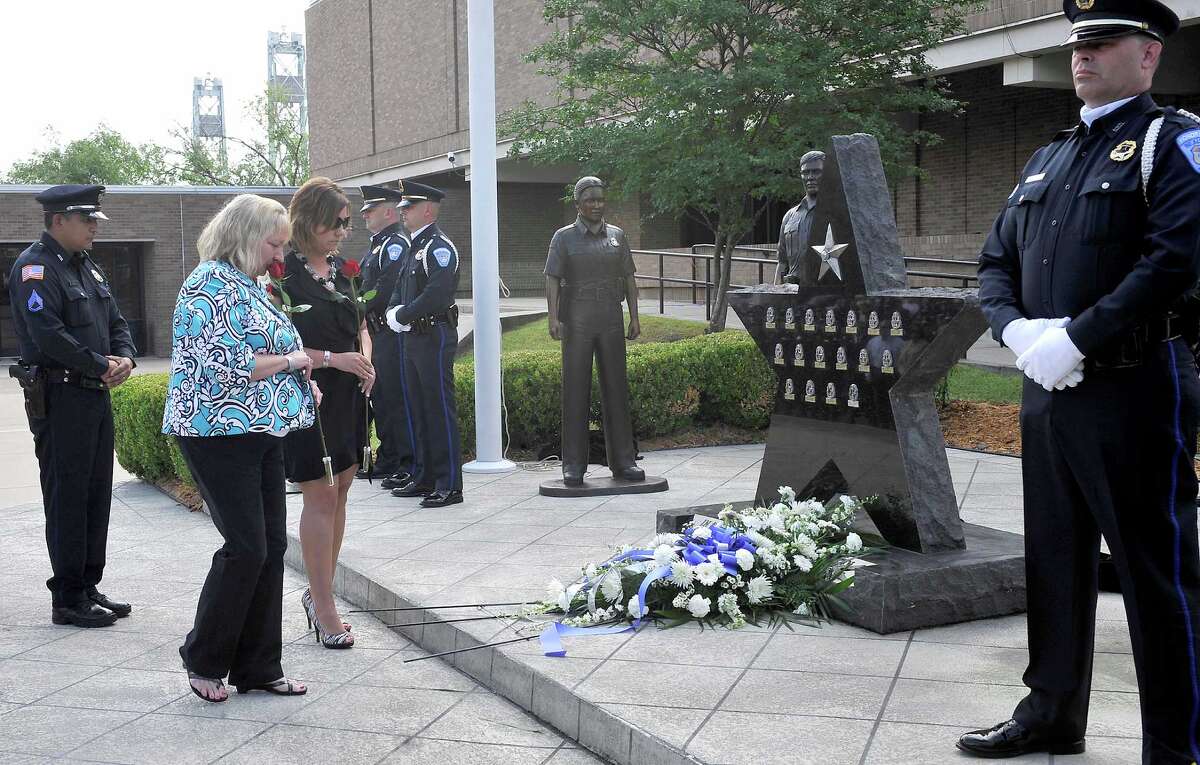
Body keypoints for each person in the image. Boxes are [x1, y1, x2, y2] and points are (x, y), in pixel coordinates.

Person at [965, 1, 1200, 761]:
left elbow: (1173, 259)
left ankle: (1176, 744)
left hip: (1132, 389)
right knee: (1055, 558)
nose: (1084, 57)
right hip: (1046, 389)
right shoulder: (1050, 155)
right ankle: (1052, 710)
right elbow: (994, 263)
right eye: (1078, 45)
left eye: (1102, 43)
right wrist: (1021, 332)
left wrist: (1079, 336)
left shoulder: (1177, 142)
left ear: (1150, 56)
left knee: (1153, 575)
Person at [163, 194, 314, 702]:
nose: (279, 254)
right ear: (244, 235)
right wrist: (293, 363)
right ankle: (203, 657)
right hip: (215, 433)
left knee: (271, 548)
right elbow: (229, 366)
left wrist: (297, 379)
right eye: (273, 242)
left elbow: (266, 353)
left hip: (258, 429)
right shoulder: (207, 283)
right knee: (246, 547)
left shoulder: (247, 285)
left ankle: (258, 667)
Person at [8, 185, 136, 628]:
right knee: (67, 495)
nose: (94, 228)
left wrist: (125, 357)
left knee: (96, 492)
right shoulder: (34, 270)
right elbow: (47, 334)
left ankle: (87, 584)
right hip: (61, 397)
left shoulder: (86, 267)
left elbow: (116, 321)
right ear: (59, 220)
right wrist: (100, 364)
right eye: (88, 221)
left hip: (94, 395)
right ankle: (66, 596)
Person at [283, 178, 375, 647]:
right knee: (319, 496)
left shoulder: (345, 272)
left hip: (348, 396)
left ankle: (321, 592)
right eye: (334, 223)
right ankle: (323, 605)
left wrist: (365, 358)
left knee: (340, 493)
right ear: (307, 220)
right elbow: (281, 346)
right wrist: (336, 360)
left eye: (346, 223)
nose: (342, 231)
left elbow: (361, 325)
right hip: (308, 391)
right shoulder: (283, 277)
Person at [544, 176, 645, 487]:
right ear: (578, 204)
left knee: (616, 388)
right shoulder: (563, 238)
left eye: (601, 199)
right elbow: (551, 278)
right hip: (577, 318)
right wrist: (553, 317)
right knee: (576, 390)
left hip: (611, 317)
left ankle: (624, 462)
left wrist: (635, 317)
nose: (597, 205)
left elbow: (629, 278)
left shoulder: (617, 236)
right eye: (590, 200)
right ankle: (573, 465)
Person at [384, 181, 464, 507]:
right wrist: (393, 309)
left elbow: (437, 293)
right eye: (402, 207)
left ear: (427, 209)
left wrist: (403, 313)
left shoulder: (438, 247)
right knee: (417, 408)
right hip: (413, 336)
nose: (402, 212)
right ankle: (424, 476)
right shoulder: (414, 246)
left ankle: (449, 484)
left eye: (409, 207)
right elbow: (400, 287)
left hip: (433, 334)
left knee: (437, 409)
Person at [357, 184, 414, 489]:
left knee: (394, 398)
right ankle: (390, 457)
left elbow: (385, 287)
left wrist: (358, 306)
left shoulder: (394, 245)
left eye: (371, 210)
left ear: (389, 212)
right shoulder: (378, 245)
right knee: (382, 397)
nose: (364, 214)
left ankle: (406, 462)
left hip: (390, 331)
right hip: (377, 332)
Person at [775, 150, 824, 285]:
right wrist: (776, 292)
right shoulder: (790, 216)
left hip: (826, 294)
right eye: (805, 173)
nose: (810, 177)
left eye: (816, 172)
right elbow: (782, 261)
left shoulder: (838, 214)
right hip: (794, 293)